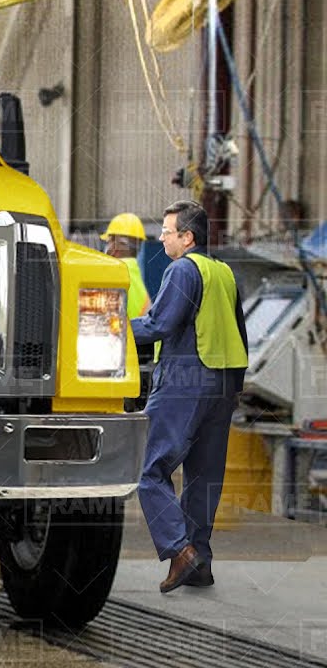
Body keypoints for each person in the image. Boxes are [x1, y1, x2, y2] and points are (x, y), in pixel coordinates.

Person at [129, 200, 247, 593]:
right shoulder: (225, 273)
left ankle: (181, 552)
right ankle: (202, 562)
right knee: (203, 477)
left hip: (185, 379)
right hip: (225, 384)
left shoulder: (183, 269)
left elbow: (159, 324)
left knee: (151, 472)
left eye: (167, 230)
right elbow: (240, 332)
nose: (161, 236)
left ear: (187, 237)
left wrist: (110, 326)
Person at [101, 212, 150, 317]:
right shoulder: (135, 273)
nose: (107, 247)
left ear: (115, 246)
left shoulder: (112, 273)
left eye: (108, 242)